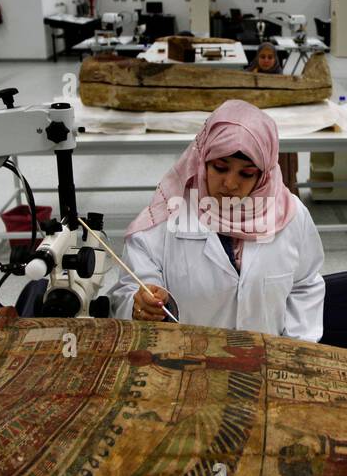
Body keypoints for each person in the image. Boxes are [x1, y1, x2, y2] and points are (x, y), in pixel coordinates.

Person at [111, 99, 325, 341]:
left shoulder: (290, 215)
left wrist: (295, 350)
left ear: (264, 175)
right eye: (220, 168)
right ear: (202, 161)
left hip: (267, 364)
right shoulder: (166, 219)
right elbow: (129, 290)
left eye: (246, 174)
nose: (230, 184)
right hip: (187, 363)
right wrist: (140, 305)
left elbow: (305, 286)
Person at [247, 42, 299, 189]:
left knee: (281, 156)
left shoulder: (282, 79)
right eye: (262, 56)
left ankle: (284, 188)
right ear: (257, 57)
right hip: (256, 127)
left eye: (270, 57)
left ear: (275, 59)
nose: (266, 60)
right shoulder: (248, 75)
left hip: (278, 125)